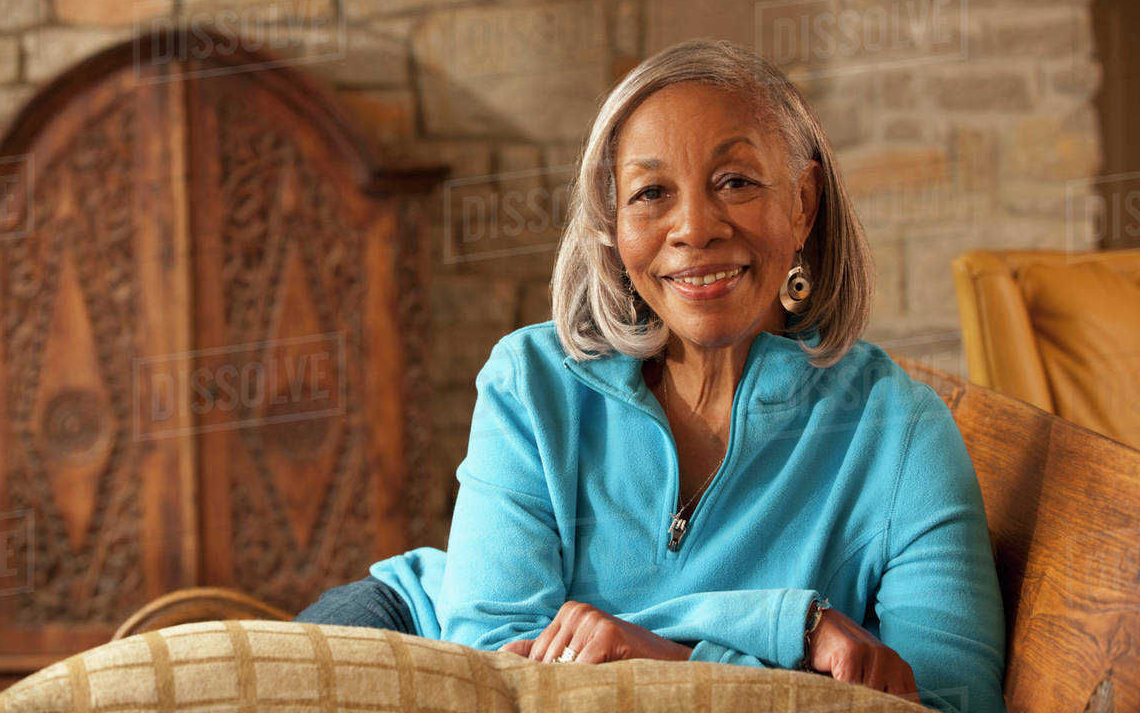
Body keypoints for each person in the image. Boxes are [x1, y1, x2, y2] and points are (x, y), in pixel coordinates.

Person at [296, 39, 1007, 713]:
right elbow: (496, 665)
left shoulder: (900, 434)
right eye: (650, 193)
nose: (694, 228)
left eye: (734, 181)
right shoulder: (533, 382)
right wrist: (788, 624)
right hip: (421, 638)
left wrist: (665, 659)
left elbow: (948, 703)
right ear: (613, 221)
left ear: (803, 204)